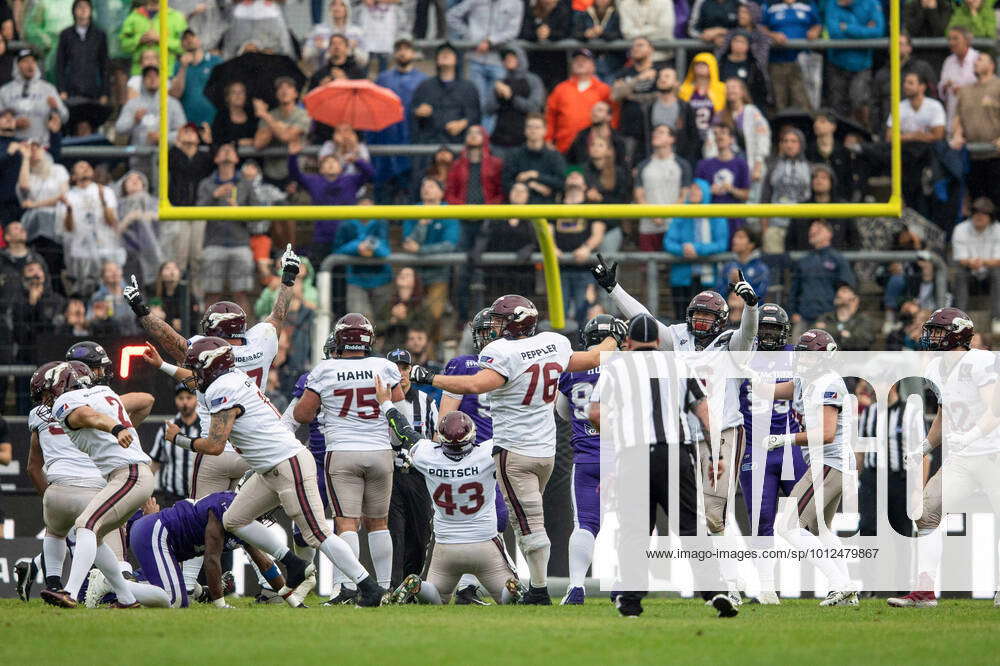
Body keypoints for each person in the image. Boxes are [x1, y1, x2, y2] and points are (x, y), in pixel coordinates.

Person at [408, 295, 623, 604]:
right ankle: (532, 586)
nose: (494, 326)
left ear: (515, 323)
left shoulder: (500, 352)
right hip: (546, 451)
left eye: (499, 320)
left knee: (529, 524)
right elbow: (593, 358)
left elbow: (476, 385)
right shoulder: (553, 342)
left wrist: (429, 377)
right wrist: (614, 336)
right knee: (532, 517)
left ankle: (539, 590)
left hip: (513, 449)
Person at [590, 257, 760, 612]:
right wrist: (613, 289)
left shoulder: (730, 343)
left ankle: (727, 584)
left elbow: (746, 336)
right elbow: (645, 318)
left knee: (708, 515)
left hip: (719, 431)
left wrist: (751, 308)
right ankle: (717, 585)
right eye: (696, 316)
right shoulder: (677, 346)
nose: (700, 323)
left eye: (707, 318)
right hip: (683, 440)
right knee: (691, 520)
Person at [168, 336, 388, 607]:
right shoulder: (231, 378)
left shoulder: (222, 388)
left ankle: (369, 587)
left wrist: (178, 438)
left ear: (211, 366)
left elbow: (214, 446)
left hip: (287, 463)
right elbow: (196, 386)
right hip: (270, 468)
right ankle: (293, 563)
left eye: (196, 368)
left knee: (317, 533)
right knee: (233, 519)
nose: (194, 375)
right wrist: (162, 365)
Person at [127, 246, 300, 513]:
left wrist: (140, 309)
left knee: (202, 519)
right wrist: (288, 276)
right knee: (243, 521)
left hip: (213, 448)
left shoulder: (204, 350)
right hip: (253, 450)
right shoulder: (262, 339)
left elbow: (168, 337)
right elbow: (279, 314)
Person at [887, 309, 1000, 608]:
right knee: (926, 512)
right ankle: (925, 590)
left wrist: (972, 435)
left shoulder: (980, 361)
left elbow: (995, 410)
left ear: (958, 335)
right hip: (963, 456)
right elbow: (944, 414)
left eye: (937, 331)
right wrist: (925, 445)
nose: (931, 337)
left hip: (994, 453)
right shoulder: (937, 368)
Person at [291, 314, 407, 603]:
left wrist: (328, 404)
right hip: (380, 450)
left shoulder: (325, 369)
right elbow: (399, 405)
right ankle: (385, 588)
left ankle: (349, 588)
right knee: (379, 523)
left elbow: (302, 414)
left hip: (342, 451)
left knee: (346, 523)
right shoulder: (384, 366)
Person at [38, 362, 157, 609]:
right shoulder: (103, 392)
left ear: (61, 385)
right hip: (131, 474)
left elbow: (88, 416)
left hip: (129, 474)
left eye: (47, 393)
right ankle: (127, 599)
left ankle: (69, 592)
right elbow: (142, 400)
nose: (46, 401)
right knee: (97, 536)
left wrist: (116, 428)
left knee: (85, 524)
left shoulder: (67, 400)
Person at [384, 405, 522, 606]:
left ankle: (419, 587)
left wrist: (387, 405)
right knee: (507, 598)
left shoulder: (426, 455)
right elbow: (518, 429)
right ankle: (512, 588)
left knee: (437, 597)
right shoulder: (488, 453)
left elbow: (404, 430)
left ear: (441, 437)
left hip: (446, 547)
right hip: (484, 545)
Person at [764, 329, 861, 606]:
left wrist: (784, 439)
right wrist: (744, 371)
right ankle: (847, 593)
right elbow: (769, 391)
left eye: (809, 356)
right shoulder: (805, 380)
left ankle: (840, 584)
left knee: (788, 525)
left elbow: (827, 434)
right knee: (820, 530)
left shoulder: (829, 382)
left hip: (830, 462)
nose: (803, 360)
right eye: (801, 355)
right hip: (828, 464)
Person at [124, 491, 311, 608]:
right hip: (154, 532)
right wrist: (221, 605)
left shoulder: (240, 518)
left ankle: (123, 584)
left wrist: (294, 602)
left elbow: (265, 563)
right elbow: (211, 559)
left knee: (176, 596)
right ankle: (115, 584)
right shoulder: (223, 508)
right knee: (175, 600)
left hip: (167, 545)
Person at [555, 314, 622, 604]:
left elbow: (562, 412)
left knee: (584, 524)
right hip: (623, 457)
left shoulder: (572, 371)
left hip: (586, 458)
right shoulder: (628, 367)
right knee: (631, 524)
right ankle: (625, 584)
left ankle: (576, 587)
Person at [383, 348, 435, 589]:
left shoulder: (426, 401)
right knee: (394, 532)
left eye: (404, 368)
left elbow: (435, 437)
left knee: (420, 532)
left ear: (411, 370)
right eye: (395, 369)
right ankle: (393, 585)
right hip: (390, 475)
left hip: (418, 476)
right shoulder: (377, 402)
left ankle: (411, 584)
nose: (400, 373)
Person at [288, 137, 373, 262]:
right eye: (326, 162)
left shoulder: (351, 180)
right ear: (321, 169)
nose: (331, 164)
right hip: (322, 237)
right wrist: (293, 156)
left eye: (334, 162)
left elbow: (370, 174)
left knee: (343, 271)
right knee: (321, 268)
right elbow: (295, 175)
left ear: (341, 167)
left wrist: (356, 160)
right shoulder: (313, 181)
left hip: (347, 235)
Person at [445, 0, 523, 133]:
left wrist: (491, 41)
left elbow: (513, 31)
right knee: (477, 103)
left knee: (494, 104)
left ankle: (487, 138)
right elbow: (452, 16)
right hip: (475, 59)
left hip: (498, 60)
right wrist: (469, 36)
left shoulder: (515, 3)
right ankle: (479, 138)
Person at [370, 39, 427, 204]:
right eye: (399, 49)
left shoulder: (423, 81)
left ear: (414, 53)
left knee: (411, 198)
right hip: (385, 146)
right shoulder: (383, 79)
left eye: (407, 49)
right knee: (383, 199)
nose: (403, 52)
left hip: (413, 146)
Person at [662, 179, 728, 318]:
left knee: (706, 317)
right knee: (681, 318)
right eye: (691, 188)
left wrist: (697, 249)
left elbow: (721, 244)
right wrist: (683, 249)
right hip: (681, 277)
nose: (693, 191)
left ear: (705, 191)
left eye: (697, 188)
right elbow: (668, 242)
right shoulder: (680, 215)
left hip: (707, 277)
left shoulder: (716, 216)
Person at [402, 178, 460, 329]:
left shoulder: (449, 212)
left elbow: (449, 245)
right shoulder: (413, 210)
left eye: (431, 186)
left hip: (439, 274)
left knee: (433, 316)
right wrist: (421, 225)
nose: (426, 189)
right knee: (411, 316)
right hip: (415, 274)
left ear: (441, 192)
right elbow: (408, 243)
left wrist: (421, 250)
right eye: (424, 186)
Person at [62, 160, 124, 297]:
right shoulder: (68, 196)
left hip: (106, 247)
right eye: (80, 166)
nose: (85, 168)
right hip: (81, 251)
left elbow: (112, 222)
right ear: (73, 176)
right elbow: (68, 228)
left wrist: (102, 200)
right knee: (85, 288)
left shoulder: (105, 191)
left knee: (111, 284)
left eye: (88, 166)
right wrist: (69, 211)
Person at [887, 71, 946, 214]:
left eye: (910, 83)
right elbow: (889, 137)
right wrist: (914, 135)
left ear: (922, 87)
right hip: (905, 155)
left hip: (927, 154)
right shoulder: (899, 106)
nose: (905, 86)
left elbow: (938, 135)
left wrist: (905, 136)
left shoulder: (934, 106)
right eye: (904, 82)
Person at [703, 78, 770, 203]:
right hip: (727, 167)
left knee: (751, 202)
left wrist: (758, 164)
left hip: (750, 163)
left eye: (734, 87)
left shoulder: (752, 112)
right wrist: (712, 167)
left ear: (742, 92)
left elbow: (762, 138)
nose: (730, 91)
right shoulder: (720, 115)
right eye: (727, 88)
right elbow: (711, 143)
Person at [114, 65, 186, 174]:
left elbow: (183, 132)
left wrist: (163, 138)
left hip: (167, 161)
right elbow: (119, 129)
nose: (152, 79)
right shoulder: (133, 104)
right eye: (148, 76)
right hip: (139, 162)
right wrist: (134, 120)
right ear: (143, 80)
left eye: (156, 76)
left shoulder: (172, 103)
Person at [552, 183, 606, 327]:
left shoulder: (592, 206)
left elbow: (598, 232)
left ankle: (584, 340)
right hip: (559, 268)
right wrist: (552, 248)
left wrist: (586, 248)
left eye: (578, 176)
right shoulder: (555, 206)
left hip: (585, 268)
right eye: (571, 176)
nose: (574, 175)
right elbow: (547, 229)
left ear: (584, 186)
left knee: (584, 311)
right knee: (559, 313)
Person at [788, 220, 856, 332]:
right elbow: (794, 289)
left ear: (829, 233)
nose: (813, 231)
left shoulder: (837, 259)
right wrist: (793, 312)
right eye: (811, 230)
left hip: (829, 319)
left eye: (818, 229)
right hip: (804, 317)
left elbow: (847, 288)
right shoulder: (804, 261)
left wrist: (838, 314)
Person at [825, 0, 884, 128]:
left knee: (859, 102)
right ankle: (841, 137)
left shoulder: (871, 3)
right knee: (837, 107)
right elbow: (834, 33)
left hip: (862, 65)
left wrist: (847, 28)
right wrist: (864, 30)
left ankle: (863, 134)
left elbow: (878, 31)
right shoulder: (832, 3)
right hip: (837, 63)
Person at [951, 52, 1000, 207]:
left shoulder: (998, 86)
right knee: (976, 202)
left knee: (996, 200)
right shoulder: (965, 90)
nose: (975, 62)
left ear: (991, 65)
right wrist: (957, 134)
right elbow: (958, 117)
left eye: (980, 59)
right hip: (972, 155)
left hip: (995, 154)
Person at [15, 140, 69, 281]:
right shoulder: (27, 174)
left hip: (57, 222)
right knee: (38, 261)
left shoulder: (58, 170)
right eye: (31, 149)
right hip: (35, 228)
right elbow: (24, 188)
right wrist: (25, 159)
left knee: (55, 263)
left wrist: (34, 204)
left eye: (37, 148)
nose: (34, 151)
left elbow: (63, 197)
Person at [634, 124, 692, 250]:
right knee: (647, 262)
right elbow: (639, 195)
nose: (655, 134)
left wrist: (665, 216)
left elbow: (685, 195)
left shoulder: (682, 165)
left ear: (672, 139)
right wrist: (653, 215)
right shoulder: (643, 165)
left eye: (661, 132)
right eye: (655, 132)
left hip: (674, 226)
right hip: (648, 227)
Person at [333, 194, 391, 319]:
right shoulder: (346, 224)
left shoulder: (381, 222)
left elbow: (385, 251)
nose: (365, 209)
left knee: (382, 323)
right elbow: (337, 251)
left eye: (369, 206)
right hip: (356, 280)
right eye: (362, 205)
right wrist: (357, 247)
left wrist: (371, 246)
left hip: (381, 279)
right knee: (360, 320)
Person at [544, 48, 613, 154]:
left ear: (593, 65)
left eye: (584, 60)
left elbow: (613, 116)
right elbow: (550, 116)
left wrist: (609, 140)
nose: (580, 63)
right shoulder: (560, 89)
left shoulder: (603, 89)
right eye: (576, 60)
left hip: (592, 148)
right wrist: (547, 140)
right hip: (563, 147)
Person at [411, 43, 481, 146]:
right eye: (441, 53)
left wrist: (462, 124)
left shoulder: (468, 88)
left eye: (449, 53)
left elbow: (476, 116)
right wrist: (419, 112)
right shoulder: (425, 86)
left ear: (456, 59)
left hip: (458, 143)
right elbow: (413, 112)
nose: (445, 55)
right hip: (430, 143)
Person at [484, 45, 546, 157]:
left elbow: (535, 107)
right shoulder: (500, 81)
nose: (508, 59)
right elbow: (488, 109)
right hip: (500, 141)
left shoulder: (533, 80)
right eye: (506, 57)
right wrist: (498, 95)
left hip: (524, 142)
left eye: (512, 56)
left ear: (521, 58)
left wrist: (511, 96)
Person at [760, 0, 821, 112]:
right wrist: (772, 35)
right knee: (779, 100)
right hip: (777, 61)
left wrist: (814, 31)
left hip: (803, 61)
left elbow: (817, 24)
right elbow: (761, 27)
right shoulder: (770, 5)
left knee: (804, 102)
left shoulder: (808, 4)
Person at [0, 49, 69, 144]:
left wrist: (56, 108)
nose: (30, 65)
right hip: (13, 147)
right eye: (25, 61)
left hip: (41, 146)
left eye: (33, 61)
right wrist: (14, 123)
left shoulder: (48, 89)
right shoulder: (5, 91)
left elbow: (65, 117)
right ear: (17, 65)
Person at [611, 36, 663, 162]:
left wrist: (631, 95)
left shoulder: (660, 71)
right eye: (633, 46)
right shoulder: (625, 72)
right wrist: (638, 79)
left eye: (640, 45)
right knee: (628, 165)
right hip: (629, 130)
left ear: (651, 49)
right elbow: (615, 95)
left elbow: (665, 94)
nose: (635, 48)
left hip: (654, 129)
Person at [951, 198, 1000, 332]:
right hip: (969, 271)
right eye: (976, 212)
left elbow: (998, 260)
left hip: (990, 271)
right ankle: (960, 321)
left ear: (990, 216)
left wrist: (982, 262)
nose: (979, 216)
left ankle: (997, 318)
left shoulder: (998, 229)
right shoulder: (960, 229)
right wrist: (971, 262)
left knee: (998, 273)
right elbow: (960, 259)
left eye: (984, 213)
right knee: (960, 273)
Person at [874, 32, 938, 132]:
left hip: (919, 131)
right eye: (893, 44)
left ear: (909, 48)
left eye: (900, 44)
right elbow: (875, 104)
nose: (896, 47)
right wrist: (878, 130)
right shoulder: (882, 74)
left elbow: (933, 95)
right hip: (889, 131)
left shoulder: (922, 68)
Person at [253, 77, 310, 188]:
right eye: (280, 88)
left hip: (296, 173)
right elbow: (258, 143)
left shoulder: (303, 115)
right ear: (276, 94)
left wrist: (265, 116)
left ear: (295, 94)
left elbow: (286, 136)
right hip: (271, 174)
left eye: (289, 87)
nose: (284, 91)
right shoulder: (272, 114)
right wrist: (278, 126)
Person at [760, 127, 810, 252]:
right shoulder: (773, 166)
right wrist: (765, 228)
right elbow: (765, 198)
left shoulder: (810, 167)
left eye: (793, 141)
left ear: (801, 144)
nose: (789, 145)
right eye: (785, 141)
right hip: (776, 225)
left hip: (802, 226)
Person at [149, 383, 200, 507]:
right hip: (172, 497)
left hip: (199, 496)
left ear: (196, 399)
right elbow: (155, 463)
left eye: (189, 397)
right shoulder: (167, 428)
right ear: (175, 400)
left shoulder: (204, 428)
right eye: (181, 398)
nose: (185, 402)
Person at [643, 67, 702, 168]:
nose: (662, 79)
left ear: (676, 83)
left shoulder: (684, 107)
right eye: (660, 77)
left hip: (679, 161)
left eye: (667, 76)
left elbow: (693, 136)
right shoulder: (650, 107)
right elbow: (645, 136)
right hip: (654, 161)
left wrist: (687, 161)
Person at [501, 113, 566, 204]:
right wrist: (533, 185)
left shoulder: (554, 156)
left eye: (537, 127)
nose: (533, 131)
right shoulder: (514, 155)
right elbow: (506, 183)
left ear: (545, 131)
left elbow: (562, 183)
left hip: (546, 207)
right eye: (530, 127)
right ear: (525, 130)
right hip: (520, 207)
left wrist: (536, 175)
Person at [54, 0, 110, 105]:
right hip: (71, 90)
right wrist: (61, 90)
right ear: (74, 11)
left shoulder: (99, 35)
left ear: (91, 10)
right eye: (79, 6)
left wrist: (105, 93)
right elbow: (60, 65)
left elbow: (105, 66)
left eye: (86, 7)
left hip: (94, 91)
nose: (83, 10)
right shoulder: (66, 35)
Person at [695, 123, 749, 222]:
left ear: (732, 139)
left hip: (734, 219)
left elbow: (746, 194)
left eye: (723, 133)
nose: (719, 136)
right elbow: (695, 194)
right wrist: (709, 191)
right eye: (716, 134)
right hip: (710, 219)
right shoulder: (704, 164)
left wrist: (731, 189)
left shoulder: (741, 164)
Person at [119, 0, 186, 76]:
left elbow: (185, 48)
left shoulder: (175, 17)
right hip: (140, 74)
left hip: (167, 74)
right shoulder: (133, 17)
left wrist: (160, 39)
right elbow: (123, 46)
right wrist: (139, 39)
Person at [445, 125, 504, 211]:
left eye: (478, 133)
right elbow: (450, 192)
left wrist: (489, 207)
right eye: (470, 133)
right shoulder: (456, 165)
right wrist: (461, 207)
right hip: (462, 212)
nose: (473, 135)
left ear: (484, 137)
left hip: (489, 212)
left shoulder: (496, 164)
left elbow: (501, 191)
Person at [168, 29, 219, 127]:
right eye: (185, 38)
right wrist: (183, 67)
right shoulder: (177, 66)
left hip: (214, 121)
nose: (189, 40)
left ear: (199, 39)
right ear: (181, 45)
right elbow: (175, 95)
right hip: (188, 123)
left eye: (192, 36)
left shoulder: (216, 61)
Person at [519, 0, 573, 91]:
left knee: (556, 90)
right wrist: (536, 34)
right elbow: (524, 32)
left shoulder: (563, 10)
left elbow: (566, 32)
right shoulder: (531, 10)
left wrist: (550, 34)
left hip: (557, 62)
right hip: (535, 60)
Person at [572, 0, 624, 82]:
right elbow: (575, 33)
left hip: (612, 60)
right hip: (590, 56)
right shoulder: (586, 13)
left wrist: (603, 33)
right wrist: (586, 34)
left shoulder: (615, 14)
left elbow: (619, 34)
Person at [564, 100, 627, 168]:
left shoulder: (617, 140)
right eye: (593, 110)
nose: (594, 113)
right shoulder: (582, 136)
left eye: (599, 110)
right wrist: (575, 173)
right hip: (585, 173)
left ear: (609, 117)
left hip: (609, 173)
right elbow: (569, 161)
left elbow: (622, 165)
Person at [678, 52, 726, 141]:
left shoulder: (722, 89)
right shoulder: (684, 89)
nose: (700, 66)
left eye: (704, 64)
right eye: (697, 64)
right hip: (690, 135)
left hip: (714, 135)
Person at [814, 283, 877, 351]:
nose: (838, 293)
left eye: (844, 291)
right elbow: (812, 338)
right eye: (838, 291)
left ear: (855, 298)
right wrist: (844, 334)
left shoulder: (863, 320)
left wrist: (827, 329)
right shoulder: (825, 317)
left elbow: (863, 342)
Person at [715, 30, 767, 110]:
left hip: (748, 107)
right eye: (736, 41)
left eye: (742, 42)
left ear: (748, 46)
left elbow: (760, 91)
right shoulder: (721, 63)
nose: (738, 44)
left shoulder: (754, 66)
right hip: (723, 105)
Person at [715, 227, 768, 302]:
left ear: (751, 244)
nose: (735, 240)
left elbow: (759, 296)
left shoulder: (760, 269)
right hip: (729, 308)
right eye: (735, 237)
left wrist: (741, 283)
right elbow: (718, 295)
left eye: (740, 237)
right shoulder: (728, 267)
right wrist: (730, 283)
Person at [939, 26, 979, 124]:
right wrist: (945, 86)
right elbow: (941, 90)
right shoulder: (948, 61)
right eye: (949, 39)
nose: (951, 43)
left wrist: (964, 91)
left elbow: (985, 87)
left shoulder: (978, 59)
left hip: (975, 117)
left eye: (955, 38)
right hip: (953, 115)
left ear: (967, 41)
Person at [210, 81, 257, 149]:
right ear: (227, 97)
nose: (238, 95)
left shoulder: (252, 116)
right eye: (234, 92)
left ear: (246, 96)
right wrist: (238, 142)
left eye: (241, 92)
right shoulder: (221, 117)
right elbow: (217, 140)